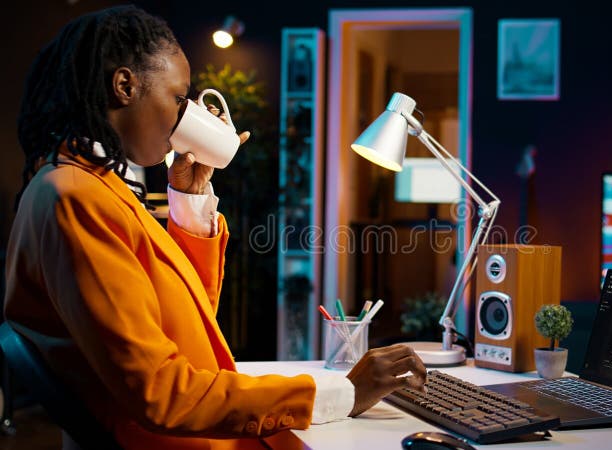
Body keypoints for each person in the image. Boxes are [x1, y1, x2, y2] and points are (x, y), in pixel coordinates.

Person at [5, 6, 426, 449]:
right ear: (125, 86)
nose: (184, 116)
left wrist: (188, 201)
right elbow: (163, 393)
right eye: (177, 98)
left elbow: (182, 323)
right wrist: (344, 393)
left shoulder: (87, 184)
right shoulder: (76, 197)